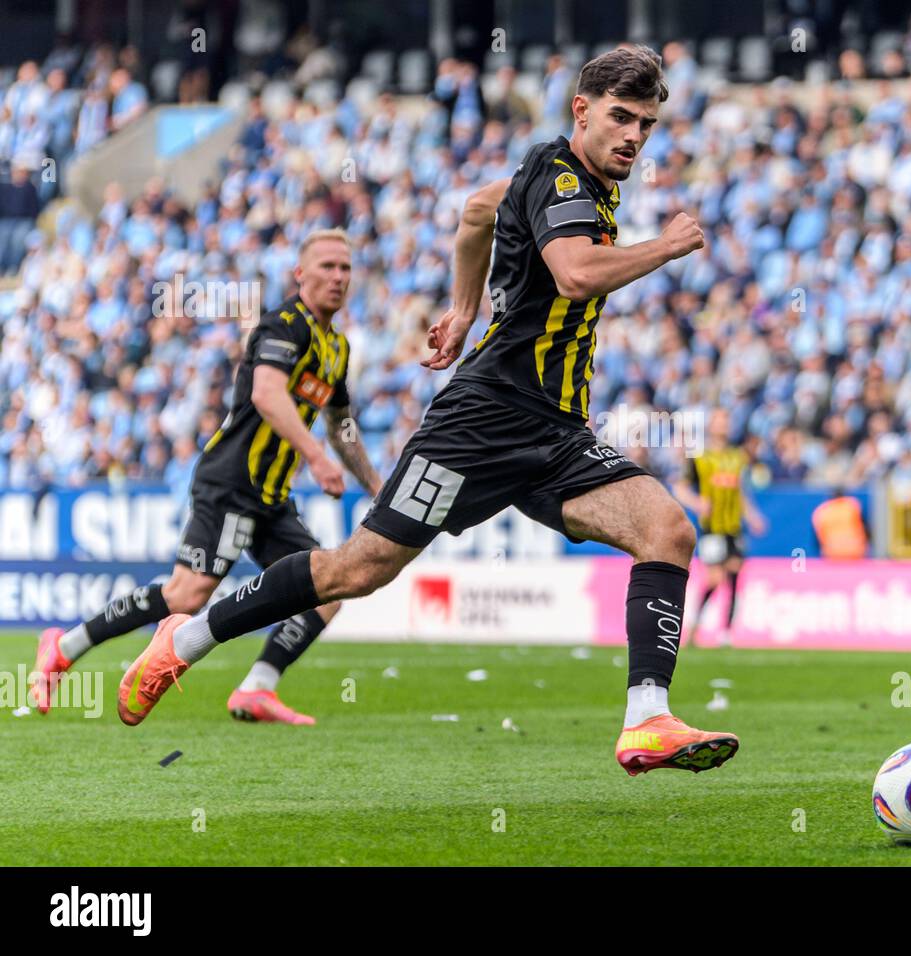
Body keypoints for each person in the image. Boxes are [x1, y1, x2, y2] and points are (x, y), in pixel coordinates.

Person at [114, 46, 740, 777]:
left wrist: (464, 306)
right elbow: (574, 275)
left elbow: (477, 213)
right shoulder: (562, 175)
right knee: (361, 568)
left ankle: (646, 722)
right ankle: (182, 642)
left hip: (557, 434)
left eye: (648, 124)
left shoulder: (570, 184)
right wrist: (662, 247)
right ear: (582, 111)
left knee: (666, 528)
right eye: (621, 117)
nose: (634, 135)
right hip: (480, 425)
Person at [32, 230, 382, 725]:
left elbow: (340, 423)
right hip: (231, 483)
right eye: (327, 266)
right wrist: (316, 458)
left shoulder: (337, 348)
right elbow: (266, 393)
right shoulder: (285, 324)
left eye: (346, 268)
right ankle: (64, 646)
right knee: (186, 595)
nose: (338, 277)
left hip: (272, 497)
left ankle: (257, 688)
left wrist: (376, 485)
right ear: (300, 273)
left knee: (329, 590)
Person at [673, 409, 766, 647]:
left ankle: (726, 632)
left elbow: (741, 492)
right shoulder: (699, 457)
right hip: (711, 528)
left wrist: (753, 516)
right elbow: (680, 488)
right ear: (710, 425)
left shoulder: (738, 457)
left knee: (735, 574)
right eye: (719, 420)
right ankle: (694, 624)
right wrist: (696, 503)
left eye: (727, 419)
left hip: (733, 527)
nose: (724, 424)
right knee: (715, 578)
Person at [812, 489, 868, 560]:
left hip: (831, 552)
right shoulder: (853, 506)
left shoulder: (822, 511)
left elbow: (817, 537)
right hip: (856, 551)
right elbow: (866, 528)